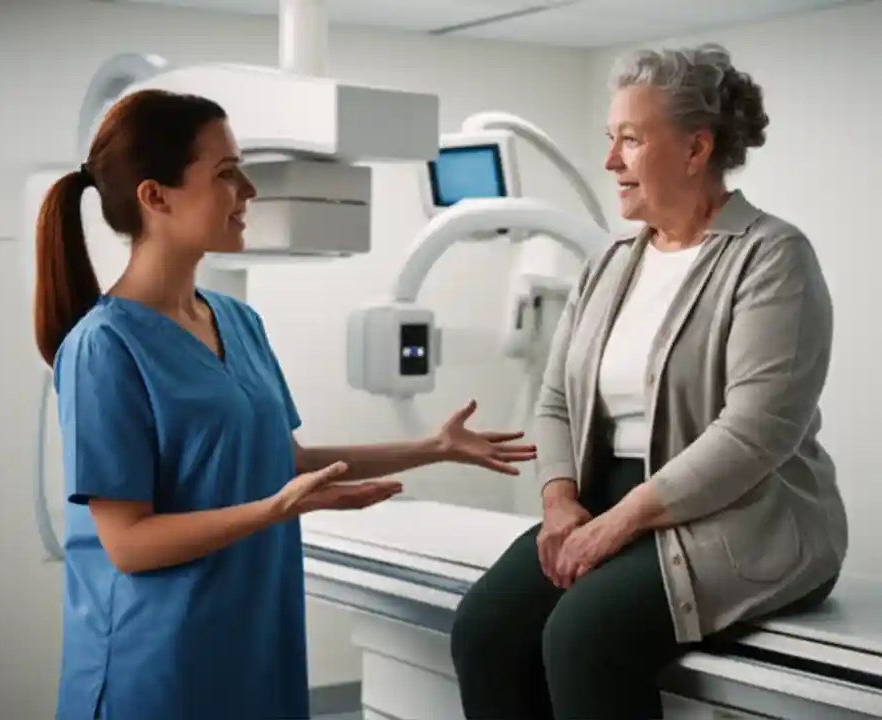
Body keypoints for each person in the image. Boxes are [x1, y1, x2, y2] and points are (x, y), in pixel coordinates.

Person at [33, 88, 538, 720]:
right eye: (225, 173)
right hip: (157, 661)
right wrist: (274, 510)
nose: (247, 189)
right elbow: (129, 544)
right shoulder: (104, 347)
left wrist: (432, 449)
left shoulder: (237, 321)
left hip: (254, 638)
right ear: (155, 197)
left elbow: (288, 459)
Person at [449, 43, 849, 718]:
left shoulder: (771, 257)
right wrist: (558, 501)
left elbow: (755, 434)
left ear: (696, 149)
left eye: (630, 141)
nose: (610, 162)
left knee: (582, 635)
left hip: (740, 512)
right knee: (484, 632)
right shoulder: (608, 263)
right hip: (608, 497)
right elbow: (556, 400)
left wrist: (614, 528)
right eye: (612, 140)